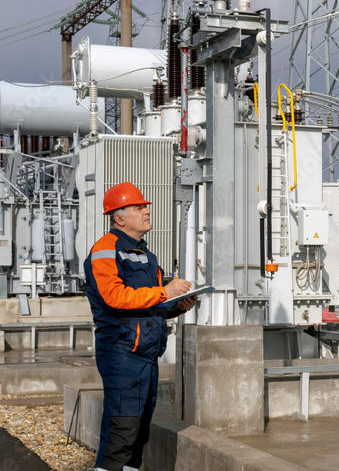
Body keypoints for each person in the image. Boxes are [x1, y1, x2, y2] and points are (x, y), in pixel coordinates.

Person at [83, 182, 196, 471]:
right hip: (122, 354)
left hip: (146, 356)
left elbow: (149, 304)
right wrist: (165, 292)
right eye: (139, 207)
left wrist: (177, 305)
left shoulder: (146, 254)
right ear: (119, 217)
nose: (147, 210)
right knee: (122, 433)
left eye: (145, 206)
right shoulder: (105, 249)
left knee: (137, 435)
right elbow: (114, 297)